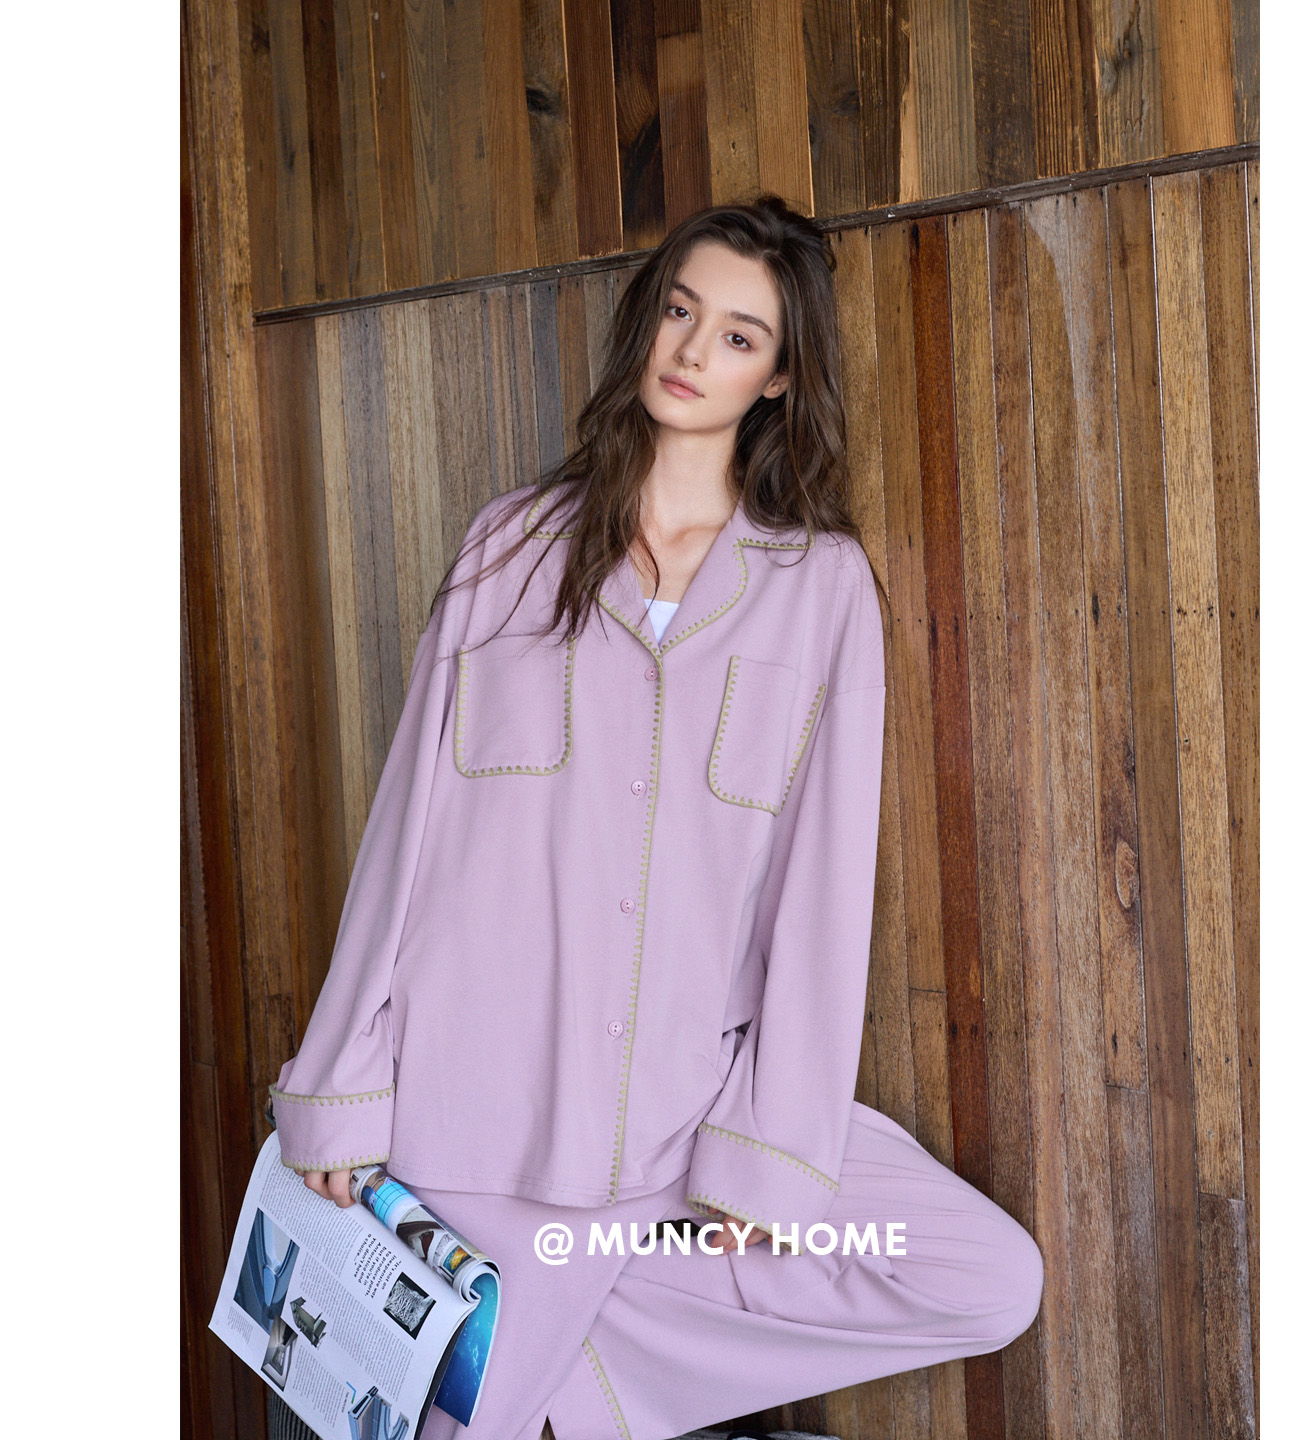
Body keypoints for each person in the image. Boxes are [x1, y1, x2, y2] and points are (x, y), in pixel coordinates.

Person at [268, 195, 1043, 1440]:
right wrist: (338, 1085)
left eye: (738, 335)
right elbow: (405, 834)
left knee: (988, 1278)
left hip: (682, 1126)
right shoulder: (508, 550)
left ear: (778, 376)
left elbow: (822, 890)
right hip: (480, 1124)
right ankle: (541, 1359)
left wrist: (769, 1147)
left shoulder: (821, 589)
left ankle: (572, 1370)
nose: (692, 351)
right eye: (680, 312)